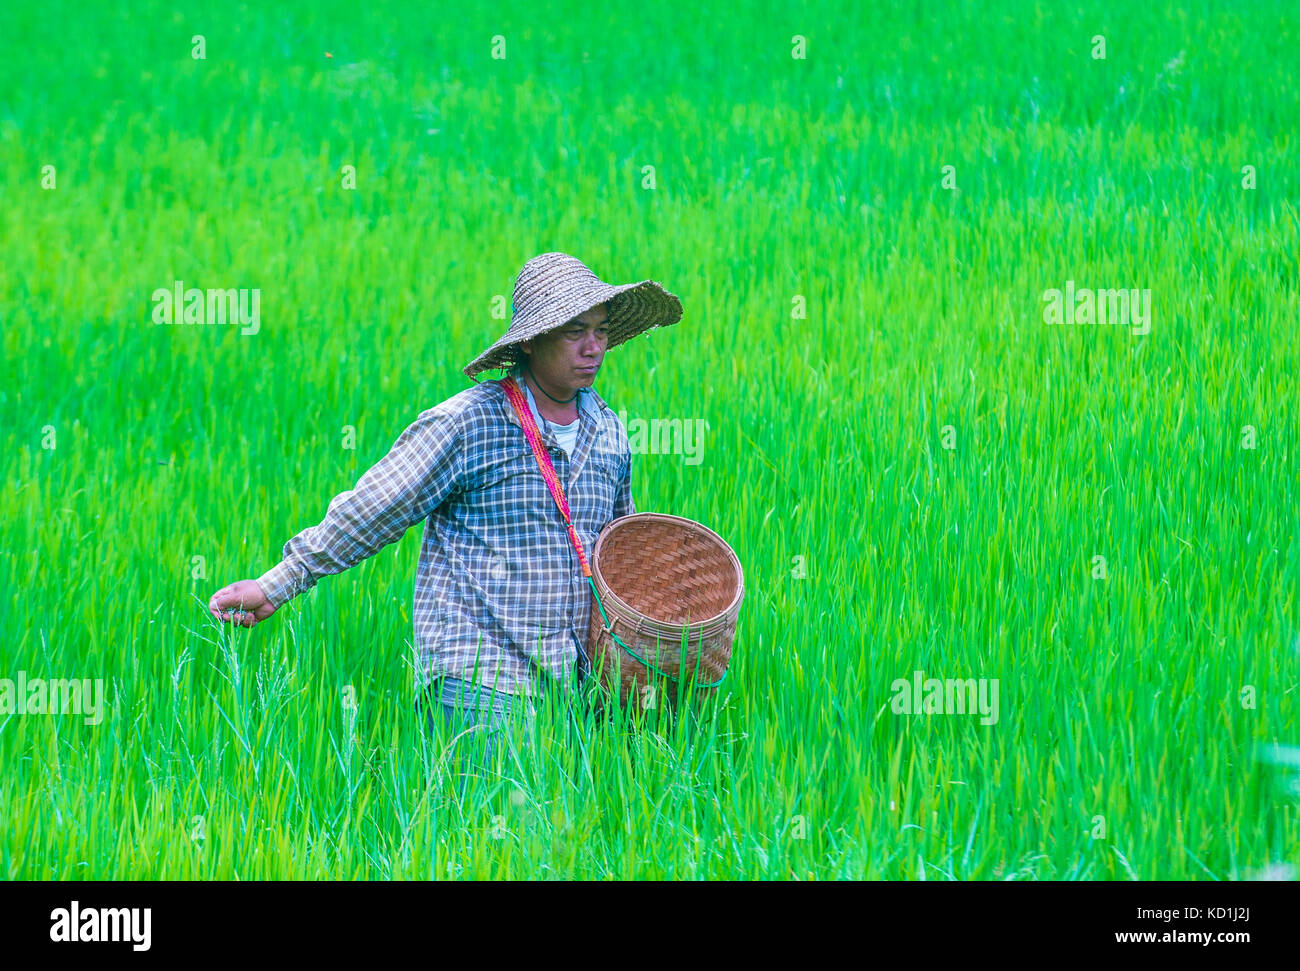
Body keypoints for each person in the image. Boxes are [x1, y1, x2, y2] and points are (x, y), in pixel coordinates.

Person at [208, 251, 682, 783]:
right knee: (499, 836)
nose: (594, 348)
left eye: (599, 331)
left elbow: (620, 552)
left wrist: (655, 650)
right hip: (478, 672)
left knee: (562, 842)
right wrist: (277, 585)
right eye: (575, 332)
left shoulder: (609, 432)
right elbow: (376, 508)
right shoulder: (467, 424)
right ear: (530, 340)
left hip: (572, 681)